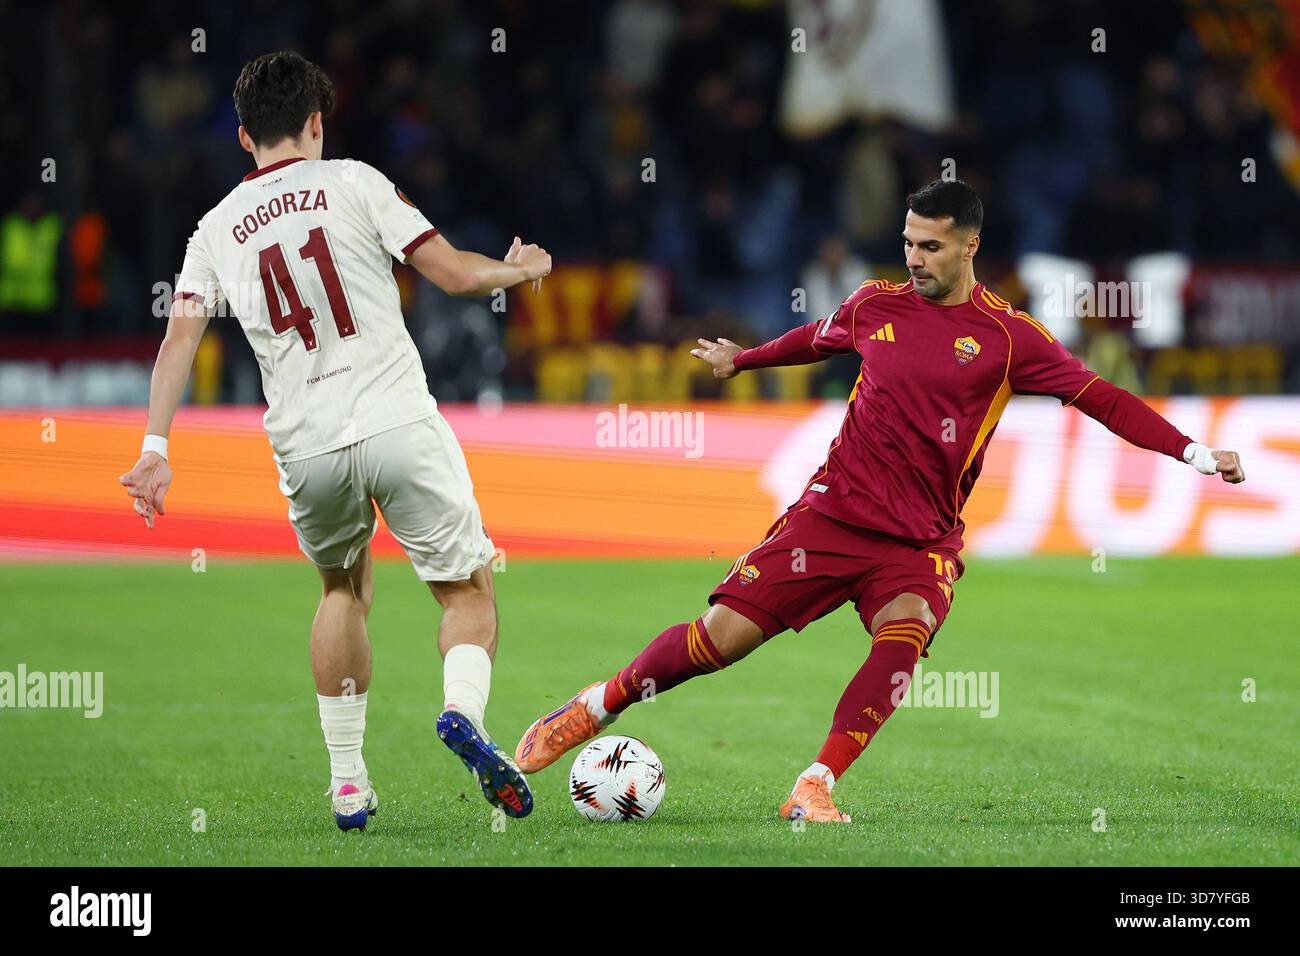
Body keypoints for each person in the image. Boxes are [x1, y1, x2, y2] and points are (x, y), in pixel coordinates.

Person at [512, 178, 1244, 823]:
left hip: (920, 540)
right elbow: (817, 338)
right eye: (907, 243)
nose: (914, 258)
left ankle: (815, 783)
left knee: (906, 636)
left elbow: (1103, 399)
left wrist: (1195, 452)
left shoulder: (1009, 338)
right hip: (831, 518)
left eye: (929, 246)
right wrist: (745, 358)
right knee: (716, 643)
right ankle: (593, 707)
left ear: (969, 247)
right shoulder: (874, 305)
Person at [118, 51, 551, 831]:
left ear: (244, 136)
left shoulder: (215, 229)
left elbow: (179, 341)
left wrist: (156, 446)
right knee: (466, 590)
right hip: (396, 419)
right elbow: (453, 274)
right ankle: (463, 714)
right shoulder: (356, 180)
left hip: (306, 444)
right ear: (316, 123)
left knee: (342, 590)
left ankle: (348, 781)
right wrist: (517, 272)